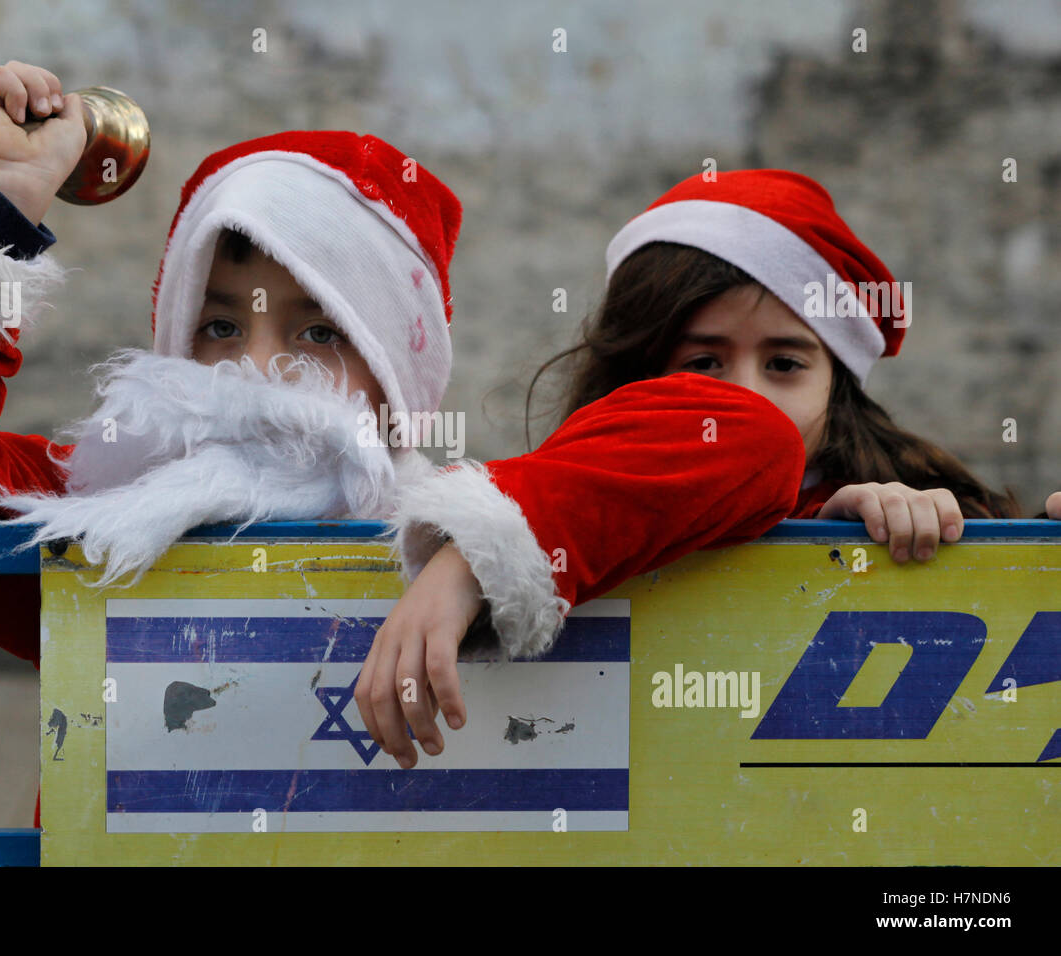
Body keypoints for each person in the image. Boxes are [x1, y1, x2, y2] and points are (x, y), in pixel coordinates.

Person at [358, 168, 1022, 769]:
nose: (744, 398)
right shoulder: (579, 500)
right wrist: (468, 560)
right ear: (637, 380)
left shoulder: (886, 500)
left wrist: (863, 532)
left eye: (785, 364)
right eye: (704, 364)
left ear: (837, 386)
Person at [0, 60, 464, 662]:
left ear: (400, 375)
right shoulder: (94, 516)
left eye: (321, 334)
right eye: (220, 326)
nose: (259, 369)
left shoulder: (456, 551)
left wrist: (475, 570)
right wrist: (0, 204)